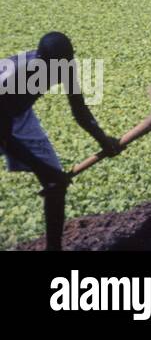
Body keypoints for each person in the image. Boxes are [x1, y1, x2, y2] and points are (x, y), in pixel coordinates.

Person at [0, 33, 121, 251]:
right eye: (54, 67)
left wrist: (104, 140)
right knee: (50, 174)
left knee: (55, 185)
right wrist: (42, 169)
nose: (60, 70)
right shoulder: (14, 77)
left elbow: (79, 109)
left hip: (20, 113)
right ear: (41, 60)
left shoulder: (64, 64)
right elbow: (5, 138)